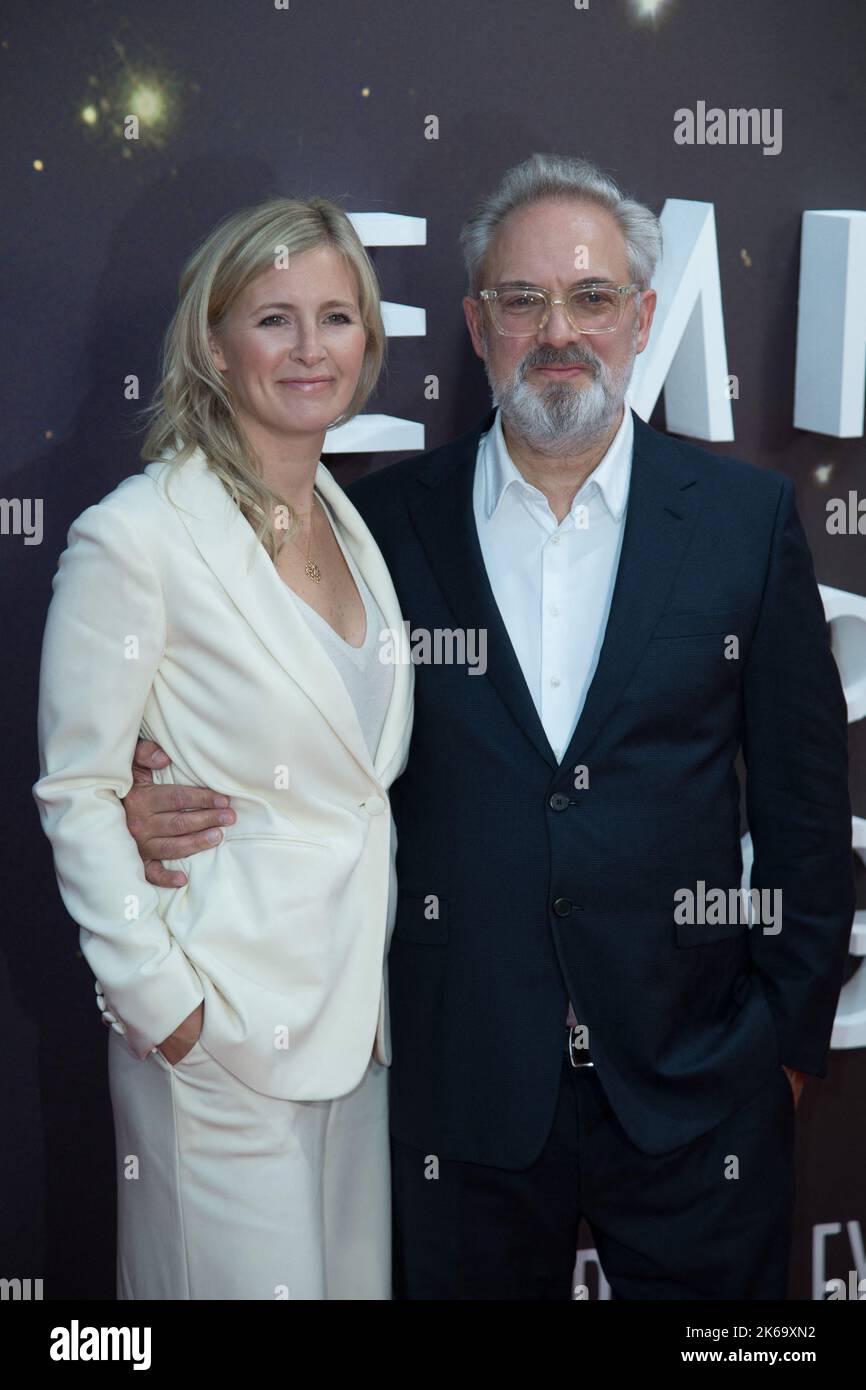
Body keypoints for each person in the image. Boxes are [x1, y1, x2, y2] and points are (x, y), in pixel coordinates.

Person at [120, 154, 854, 1300]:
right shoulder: (368, 531)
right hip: (453, 1096)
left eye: (591, 298)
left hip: (693, 1094)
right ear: (474, 323)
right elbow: (282, 747)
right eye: (521, 300)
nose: (557, 330)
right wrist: (148, 789)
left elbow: (808, 818)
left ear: (643, 319)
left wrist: (781, 1057)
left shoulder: (742, 522)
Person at [32, 195, 414, 1300]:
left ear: (368, 342)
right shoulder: (138, 535)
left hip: (354, 1039)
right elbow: (78, 790)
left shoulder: (350, 524)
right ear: (212, 342)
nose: (310, 349)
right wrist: (166, 1005)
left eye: (336, 318)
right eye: (274, 318)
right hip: (221, 1035)